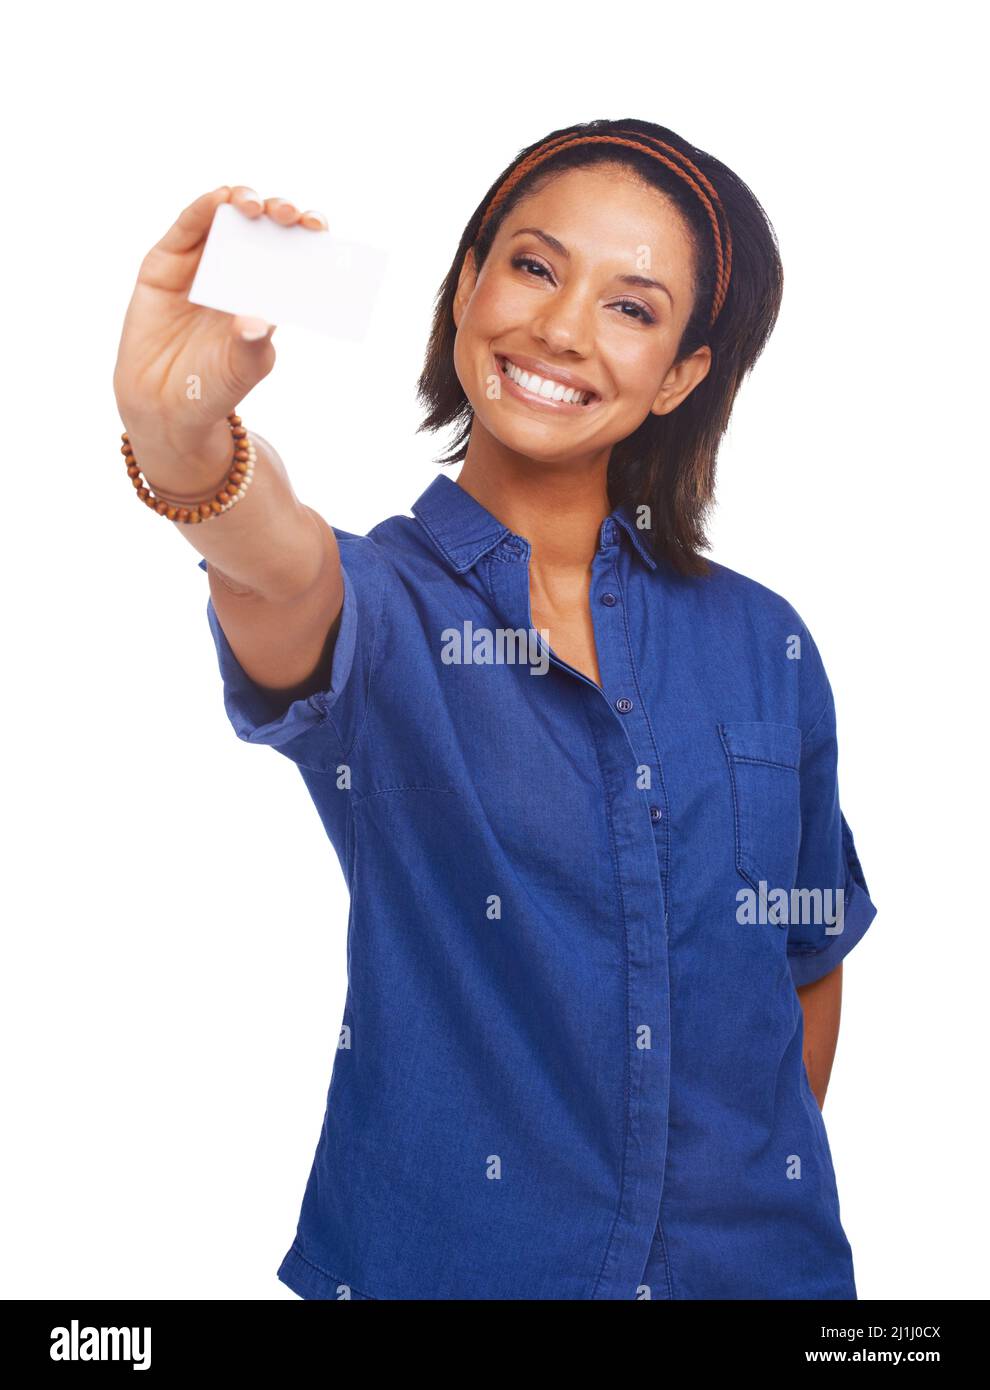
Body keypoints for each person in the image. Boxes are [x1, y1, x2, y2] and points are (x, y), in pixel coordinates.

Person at [113, 117, 878, 1301]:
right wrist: (180, 437)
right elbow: (274, 567)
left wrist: (730, 1204)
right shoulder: (382, 607)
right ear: (468, 285)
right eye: (532, 266)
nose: (562, 329)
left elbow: (807, 955)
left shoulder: (762, 642)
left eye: (632, 308)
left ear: (681, 375)